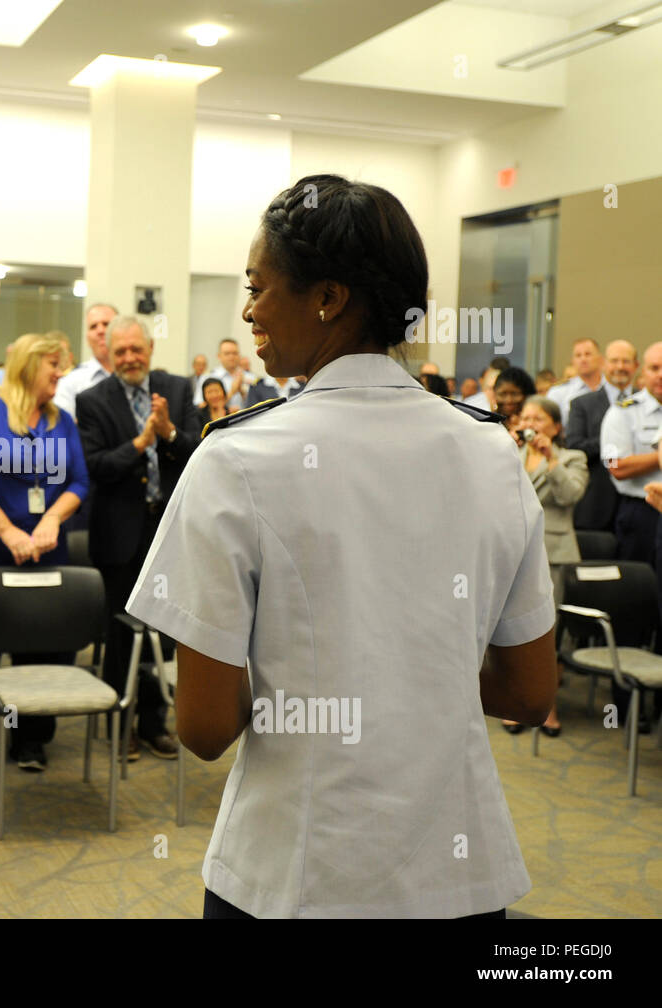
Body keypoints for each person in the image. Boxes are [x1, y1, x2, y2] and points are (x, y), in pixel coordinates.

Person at [127, 174, 557, 918]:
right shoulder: (492, 454)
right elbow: (528, 691)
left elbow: (201, 728)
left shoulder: (236, 460)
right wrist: (414, 682)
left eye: (259, 287)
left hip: (295, 872)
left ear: (327, 299)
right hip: (455, 874)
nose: (248, 309)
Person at [0, 333, 89, 771]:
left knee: (40, 649)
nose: (60, 376)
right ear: (29, 367)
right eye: (54, 367)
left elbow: (79, 481)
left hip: (44, 552)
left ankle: (30, 740)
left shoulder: (60, 420)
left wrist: (50, 521)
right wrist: (7, 530)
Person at [75, 314, 199, 760]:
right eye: (121, 351)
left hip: (166, 531)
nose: (129, 358)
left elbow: (199, 454)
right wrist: (139, 443)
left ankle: (153, 723)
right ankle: (118, 724)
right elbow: (96, 467)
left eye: (136, 349)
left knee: (162, 631)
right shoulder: (93, 400)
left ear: (150, 349)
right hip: (118, 534)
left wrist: (165, 432)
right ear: (109, 354)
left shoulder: (179, 389)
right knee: (122, 632)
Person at [501, 395, 586, 738]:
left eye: (540, 419)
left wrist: (551, 460)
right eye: (527, 418)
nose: (532, 425)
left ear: (556, 427)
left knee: (545, 629)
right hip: (512, 550)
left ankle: (546, 705)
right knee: (509, 627)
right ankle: (512, 702)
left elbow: (570, 495)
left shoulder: (572, 457)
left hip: (553, 551)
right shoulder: (510, 452)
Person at [566, 340, 637, 532]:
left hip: (640, 504)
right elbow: (574, 447)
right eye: (614, 361)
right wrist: (612, 441)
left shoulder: (647, 402)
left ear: (636, 366)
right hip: (595, 504)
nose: (620, 367)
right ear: (605, 364)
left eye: (626, 361)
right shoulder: (582, 404)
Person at [601, 342, 662, 564]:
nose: (661, 374)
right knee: (641, 589)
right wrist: (659, 457)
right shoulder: (621, 412)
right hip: (642, 512)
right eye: (655, 368)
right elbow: (616, 466)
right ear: (643, 371)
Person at [53, 303, 117, 418]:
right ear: (87, 338)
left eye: (106, 324)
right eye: (93, 326)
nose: (100, 330)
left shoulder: (136, 377)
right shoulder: (69, 382)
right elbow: (63, 429)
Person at [548, 338, 605, 418]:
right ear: (573, 361)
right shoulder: (558, 393)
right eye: (578, 355)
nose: (583, 359)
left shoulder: (613, 388)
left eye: (588, 354)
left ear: (600, 359)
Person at [195, 338, 254, 410]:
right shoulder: (207, 377)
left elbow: (259, 404)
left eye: (235, 353)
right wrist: (231, 392)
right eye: (227, 353)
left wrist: (242, 392)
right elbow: (200, 407)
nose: (231, 357)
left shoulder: (251, 378)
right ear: (219, 356)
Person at [493, 367, 536, 433]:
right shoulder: (488, 424)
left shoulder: (535, 425)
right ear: (494, 394)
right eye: (502, 394)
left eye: (515, 394)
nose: (508, 400)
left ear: (527, 395)